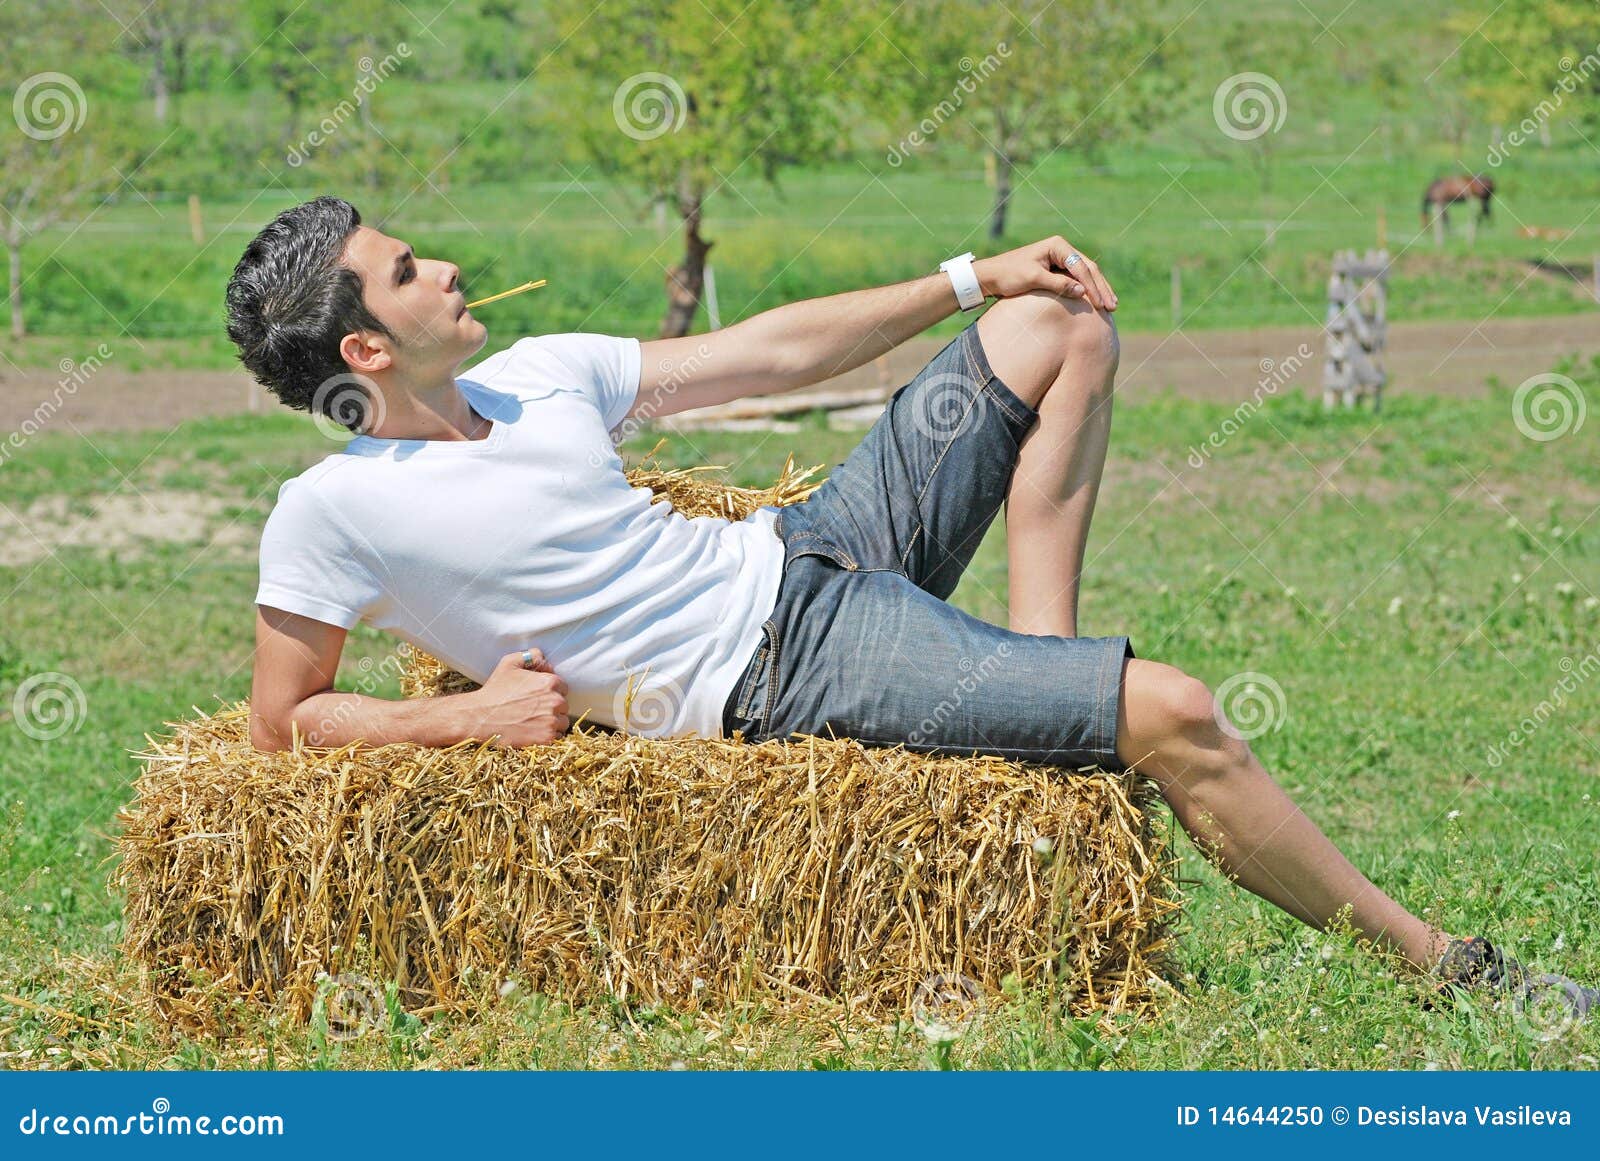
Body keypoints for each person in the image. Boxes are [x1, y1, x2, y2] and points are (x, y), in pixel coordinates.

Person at [233, 196, 1593, 1026]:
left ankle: (1043, 676)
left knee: (1059, 327)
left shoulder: (539, 376)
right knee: (1176, 712)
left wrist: (975, 280)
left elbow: (770, 350)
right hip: (779, 672)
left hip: (814, 540)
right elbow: (280, 726)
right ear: (365, 349)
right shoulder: (335, 510)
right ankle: (1444, 966)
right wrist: (469, 719)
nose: (448, 270)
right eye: (411, 270)